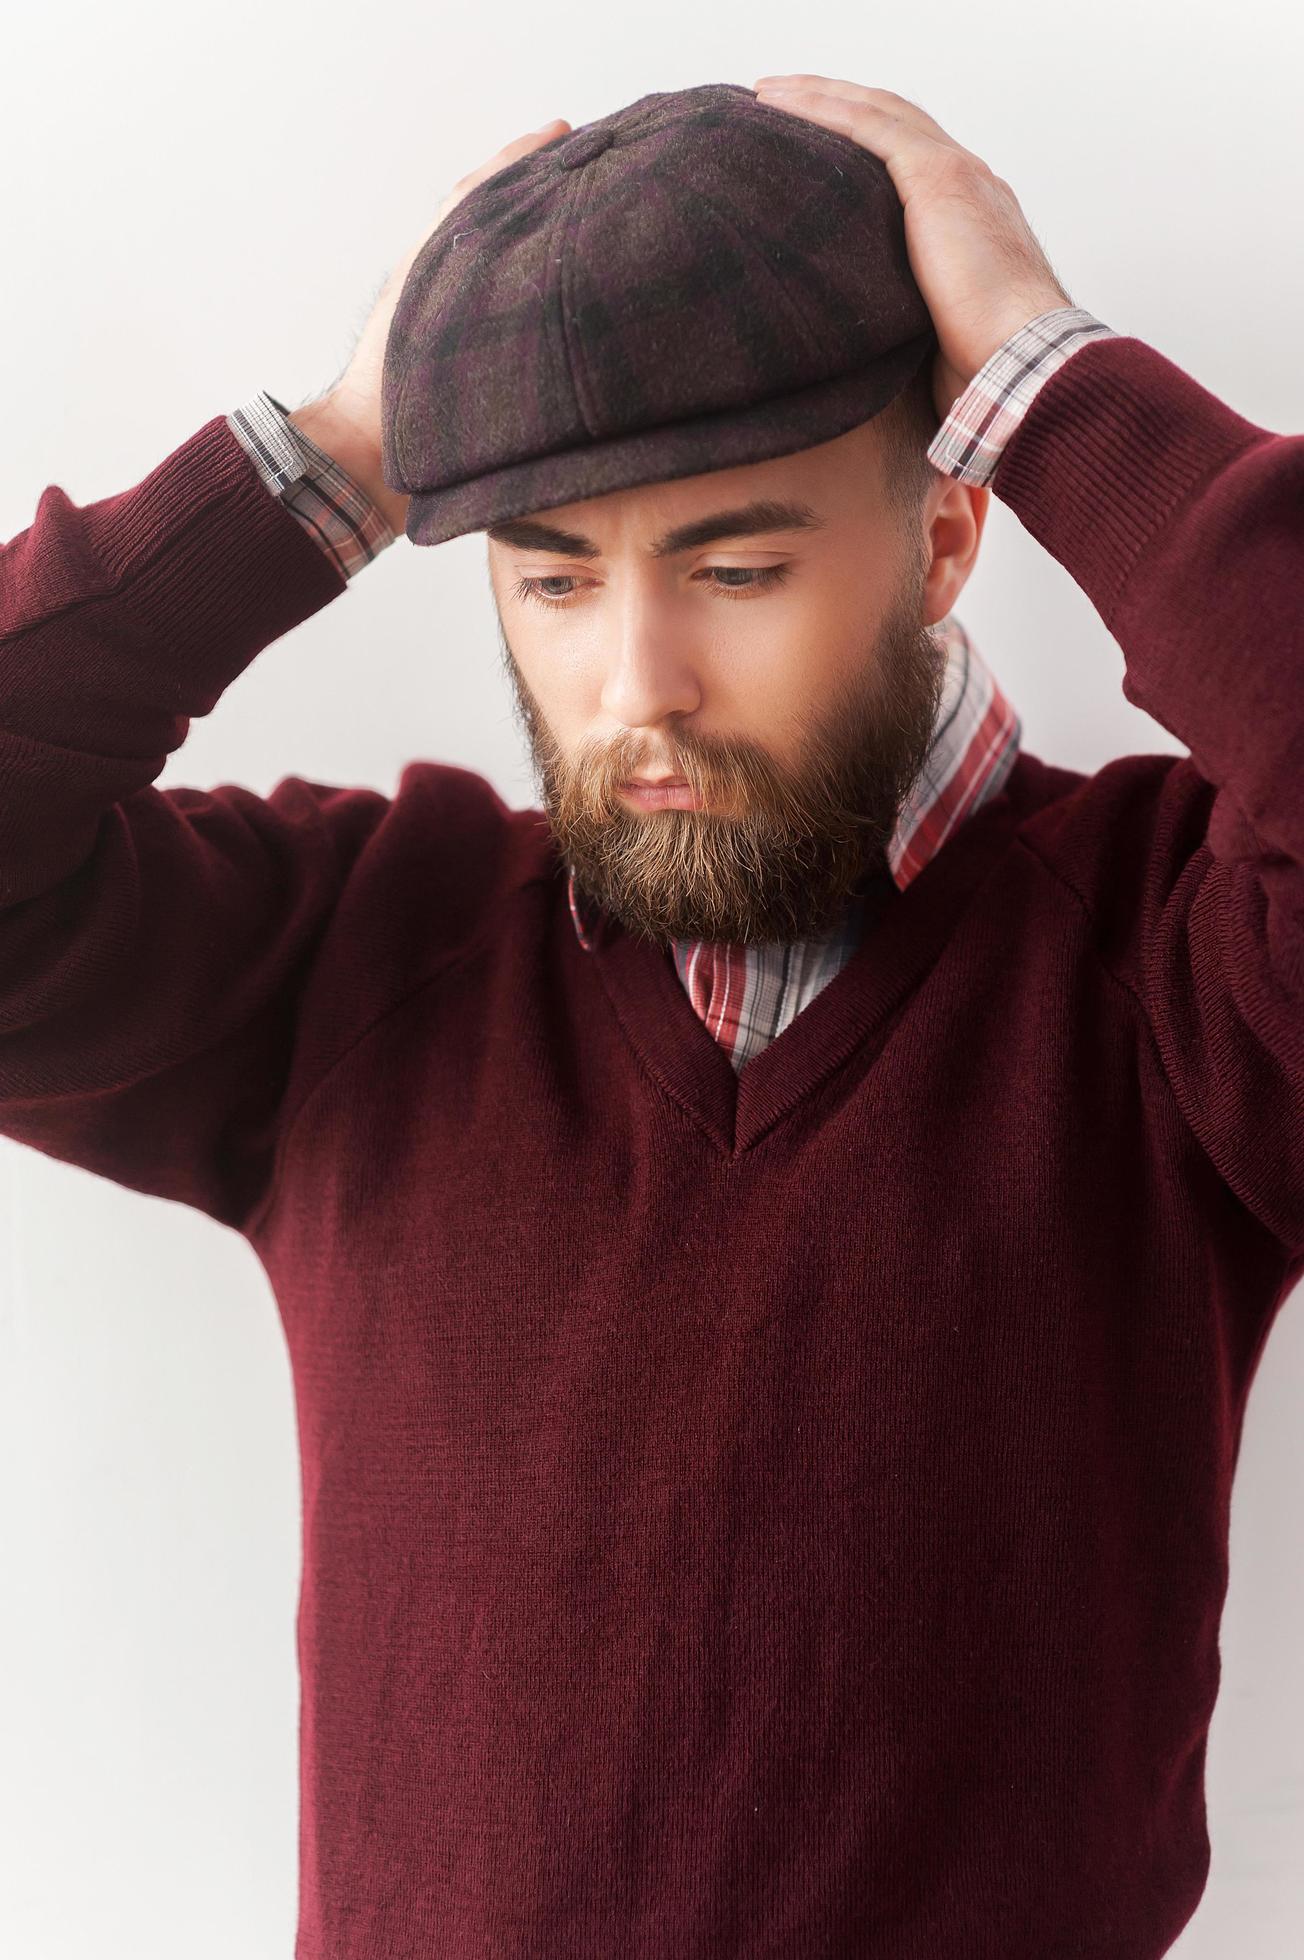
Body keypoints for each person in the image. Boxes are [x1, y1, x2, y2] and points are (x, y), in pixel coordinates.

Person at [2, 73, 1300, 1960]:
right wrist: (344, 456)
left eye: (737, 568)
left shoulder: (1177, 971)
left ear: (946, 542)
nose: (637, 685)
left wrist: (1050, 384)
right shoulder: (357, 965)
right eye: (551, 577)